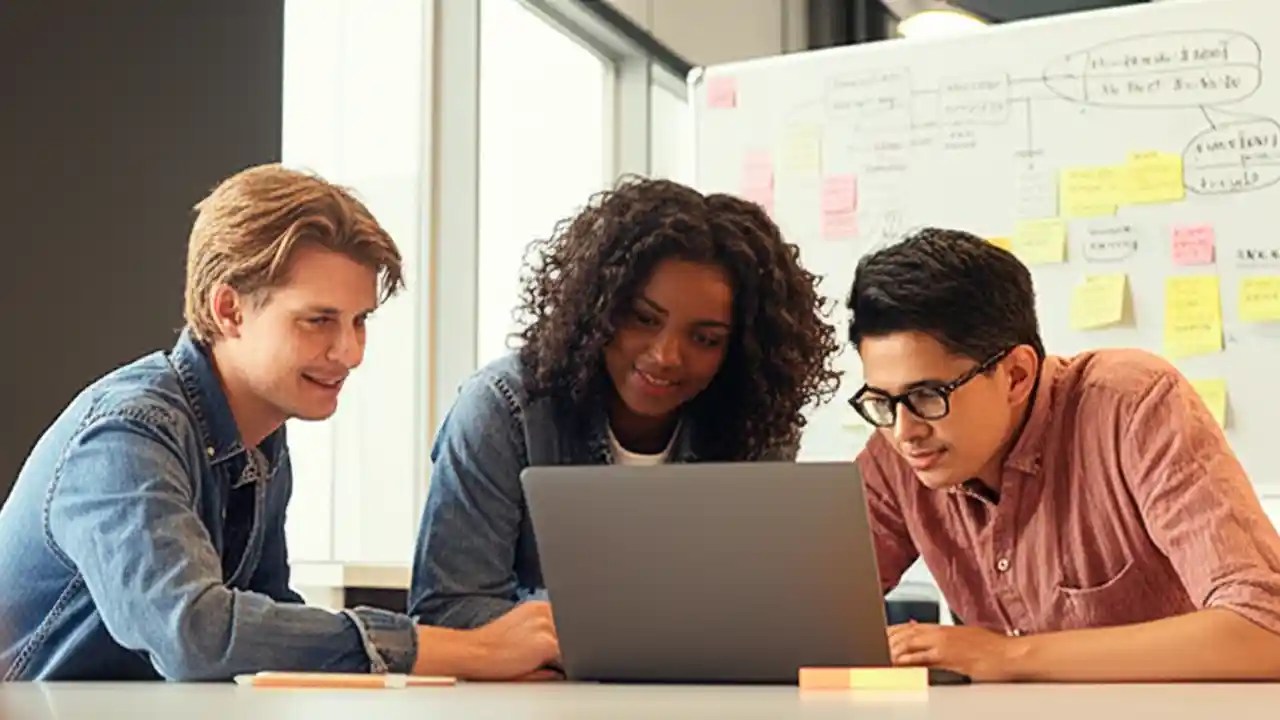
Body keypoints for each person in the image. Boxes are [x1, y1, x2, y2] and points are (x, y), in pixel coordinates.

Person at [0, 164, 557, 681]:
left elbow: (269, 616)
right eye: (318, 321)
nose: (350, 352)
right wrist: (461, 651)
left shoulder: (260, 435)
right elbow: (196, 635)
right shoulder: (129, 433)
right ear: (229, 310)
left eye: (360, 321)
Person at [846, 227, 1280, 682]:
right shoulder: (897, 451)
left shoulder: (1132, 406)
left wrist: (1008, 657)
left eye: (928, 396)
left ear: (1016, 375)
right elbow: (809, 614)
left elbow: (1265, 625)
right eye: (881, 401)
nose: (904, 431)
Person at [410, 176, 841, 632]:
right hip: (546, 683)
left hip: (699, 681)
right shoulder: (504, 410)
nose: (666, 356)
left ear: (741, 351)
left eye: (705, 339)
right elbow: (449, 611)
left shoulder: (756, 423)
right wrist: (648, 618)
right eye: (643, 318)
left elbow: (756, 609)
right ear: (598, 307)